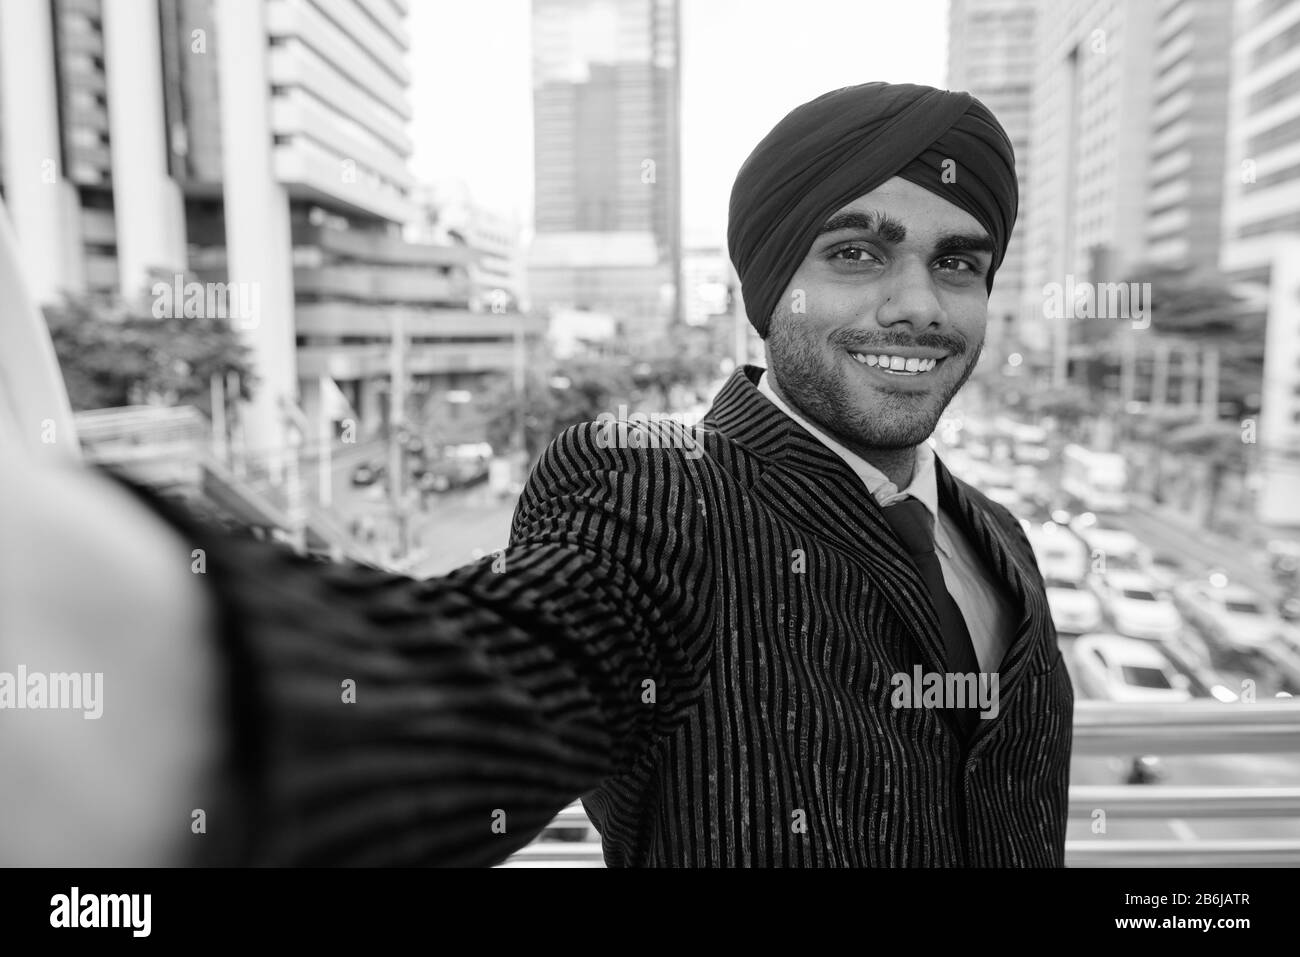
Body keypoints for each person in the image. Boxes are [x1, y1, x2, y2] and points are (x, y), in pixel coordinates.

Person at [0, 81, 1071, 867]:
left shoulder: (1000, 542)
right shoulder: (662, 493)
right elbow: (501, 674)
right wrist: (133, 653)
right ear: (765, 287)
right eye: (854, 253)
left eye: (958, 262)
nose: (918, 304)